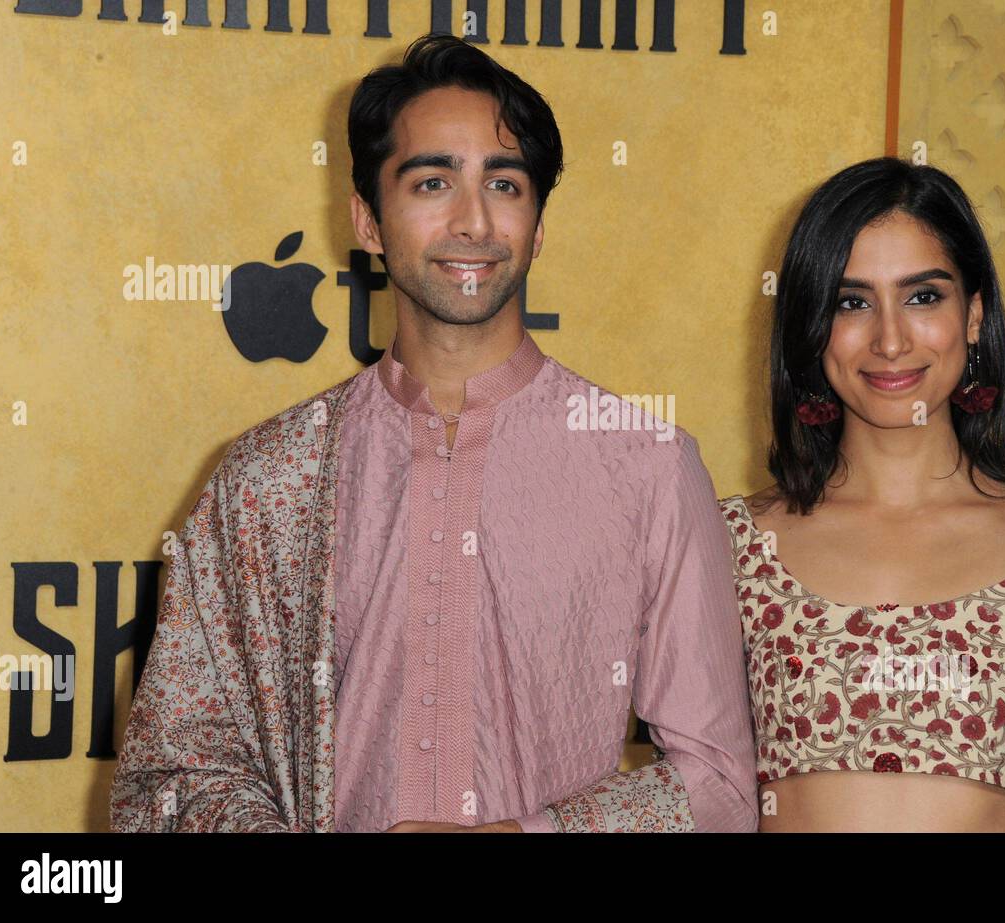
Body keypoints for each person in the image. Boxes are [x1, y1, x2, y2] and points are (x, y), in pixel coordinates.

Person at [110, 33, 757, 833]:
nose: (473, 219)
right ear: (368, 221)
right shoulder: (265, 479)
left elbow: (720, 786)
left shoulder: (648, 464)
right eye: (431, 181)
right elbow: (173, 774)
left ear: (538, 223)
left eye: (505, 183)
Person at [720, 157, 1005, 833]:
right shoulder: (731, 553)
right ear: (810, 327)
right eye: (850, 302)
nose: (890, 339)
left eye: (923, 296)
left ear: (975, 316)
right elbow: (691, 793)